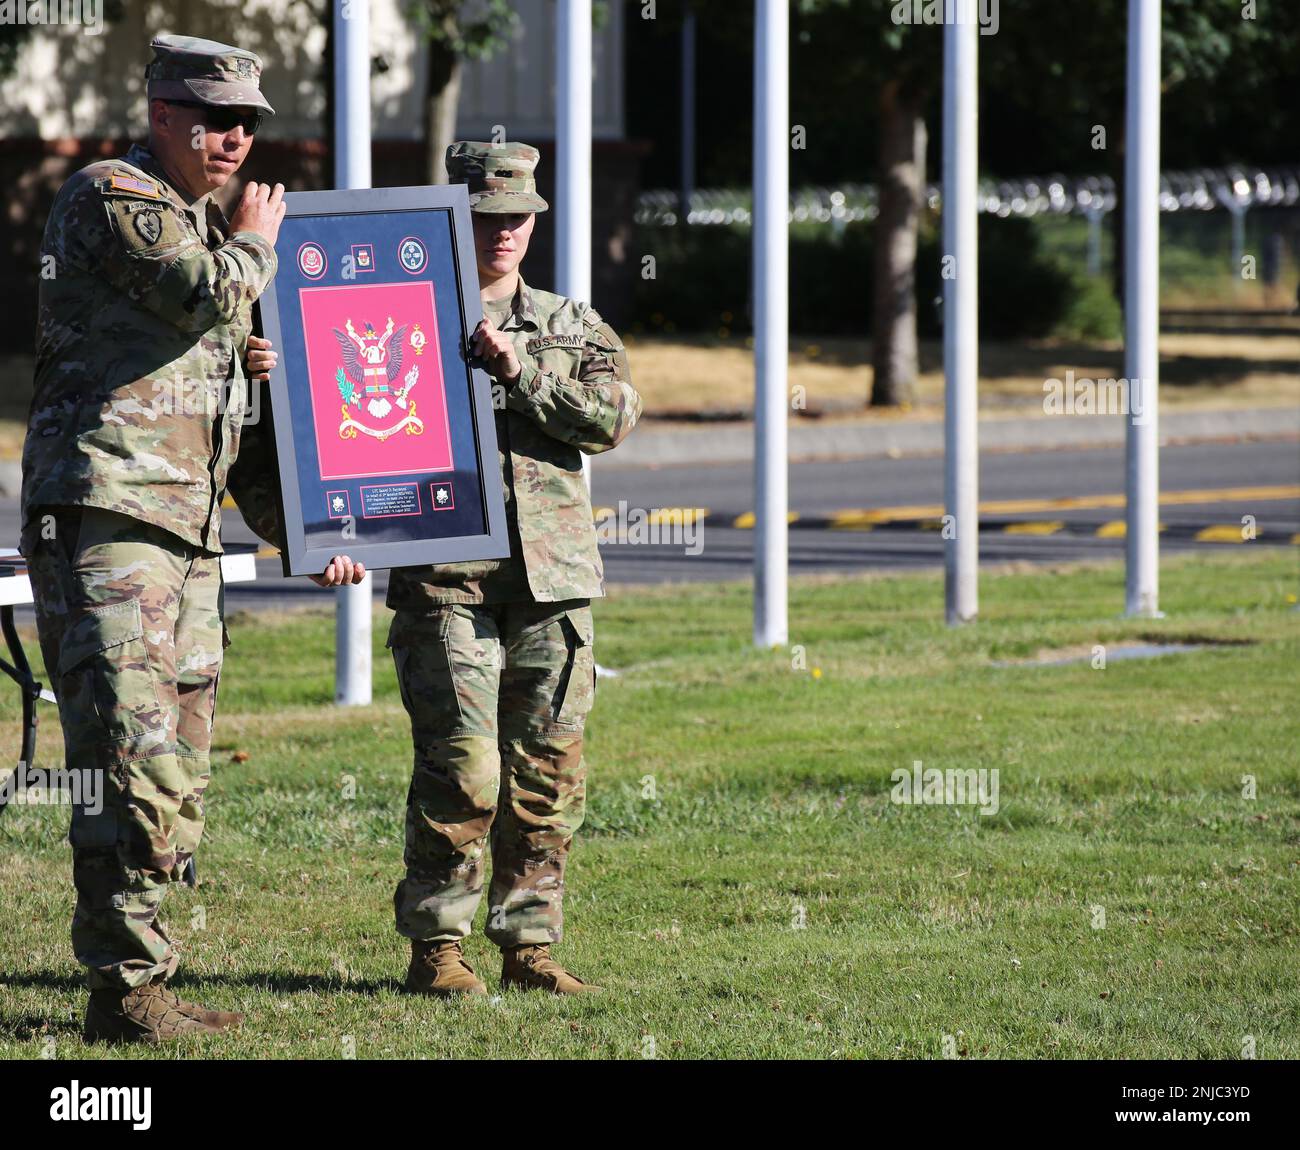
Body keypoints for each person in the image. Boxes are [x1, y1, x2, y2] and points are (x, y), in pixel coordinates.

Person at [19, 34, 363, 1045]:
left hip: (190, 534)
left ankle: (139, 981)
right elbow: (205, 293)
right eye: (217, 120)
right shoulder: (111, 197)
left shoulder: (210, 235)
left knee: (177, 768)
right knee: (126, 753)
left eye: (250, 123)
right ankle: (122, 993)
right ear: (164, 113)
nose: (236, 139)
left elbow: (233, 430)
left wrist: (302, 533)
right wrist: (255, 250)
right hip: (111, 517)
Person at [386, 141, 642, 996]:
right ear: (455, 221)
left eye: (515, 217)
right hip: (446, 581)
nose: (501, 232)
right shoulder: (401, 317)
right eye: (483, 217)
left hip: (551, 581)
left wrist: (519, 367)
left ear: (535, 222)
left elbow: (610, 418)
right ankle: (438, 948)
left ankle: (529, 946)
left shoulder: (573, 324)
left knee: (547, 775)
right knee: (462, 770)